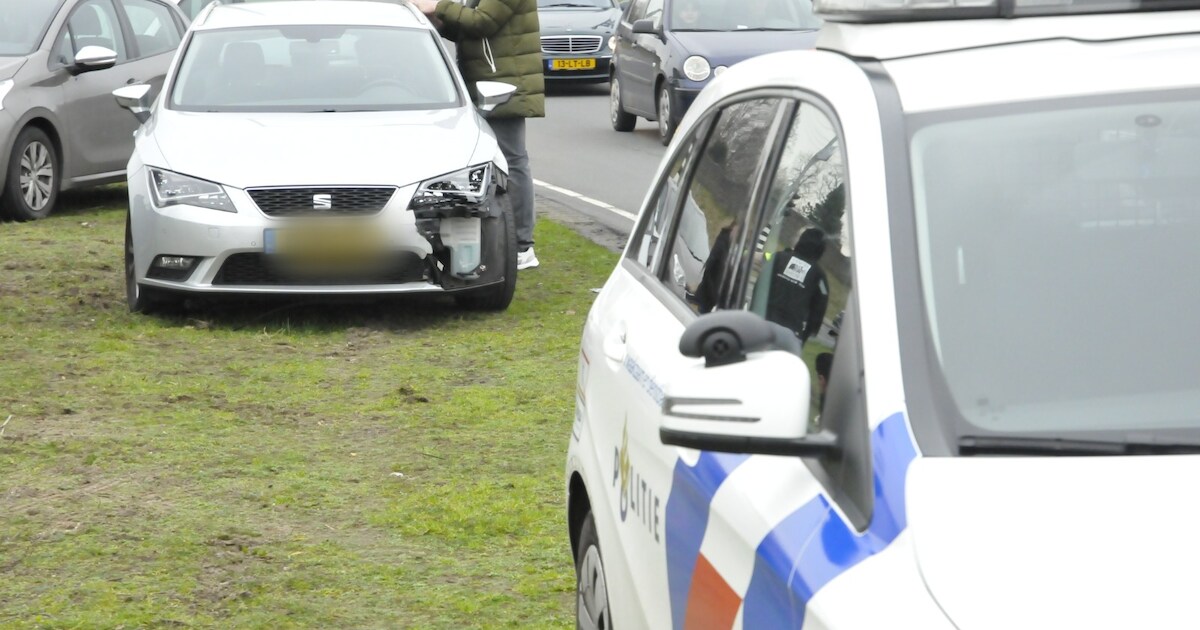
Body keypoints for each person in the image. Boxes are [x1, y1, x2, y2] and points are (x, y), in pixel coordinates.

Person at [414, 0, 545, 270]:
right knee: (477, 160)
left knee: (512, 160)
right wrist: (439, 19)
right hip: (485, 79)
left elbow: (482, 22)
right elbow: (467, 29)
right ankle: (482, 235)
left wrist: (438, 5)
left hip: (502, 82)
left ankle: (522, 245)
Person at [765, 228, 829, 345]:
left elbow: (761, 286)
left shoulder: (778, 258)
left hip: (764, 322)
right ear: (821, 250)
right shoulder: (819, 276)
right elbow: (820, 307)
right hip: (791, 333)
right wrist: (808, 333)